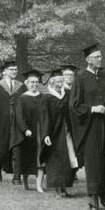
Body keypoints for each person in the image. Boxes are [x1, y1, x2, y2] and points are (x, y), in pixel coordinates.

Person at [69, 44, 105, 210]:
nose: (100, 59)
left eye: (100, 56)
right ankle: (93, 198)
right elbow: (74, 105)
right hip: (90, 126)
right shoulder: (81, 78)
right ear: (88, 60)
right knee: (94, 162)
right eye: (96, 57)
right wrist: (92, 108)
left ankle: (104, 191)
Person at [39, 67, 78, 196]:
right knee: (56, 162)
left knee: (71, 160)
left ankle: (65, 186)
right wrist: (46, 134)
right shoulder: (47, 97)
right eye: (58, 81)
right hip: (54, 133)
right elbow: (44, 117)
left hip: (67, 132)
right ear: (51, 82)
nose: (60, 84)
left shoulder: (66, 94)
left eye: (62, 81)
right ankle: (57, 190)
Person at [0, 60, 23, 182]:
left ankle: (17, 176)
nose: (14, 72)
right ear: (5, 71)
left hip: (17, 123)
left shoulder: (20, 85)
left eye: (15, 70)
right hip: (2, 123)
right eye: (11, 70)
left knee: (17, 149)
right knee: (1, 149)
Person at [11, 69, 45, 188]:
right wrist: (25, 129)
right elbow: (19, 117)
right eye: (32, 82)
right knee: (26, 158)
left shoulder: (43, 98)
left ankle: (39, 185)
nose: (34, 84)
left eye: (36, 82)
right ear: (27, 83)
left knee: (40, 159)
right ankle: (25, 182)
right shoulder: (22, 98)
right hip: (27, 134)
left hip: (40, 132)